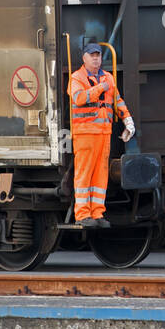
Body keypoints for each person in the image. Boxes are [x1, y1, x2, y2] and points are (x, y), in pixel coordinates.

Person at [67, 43, 135, 228]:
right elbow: (79, 98)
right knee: (84, 175)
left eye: (98, 55)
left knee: (100, 176)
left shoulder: (108, 78)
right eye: (92, 55)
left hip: (104, 134)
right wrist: (100, 88)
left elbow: (117, 101)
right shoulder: (77, 78)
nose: (96, 58)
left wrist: (128, 121)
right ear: (84, 58)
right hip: (85, 134)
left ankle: (97, 213)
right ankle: (82, 215)